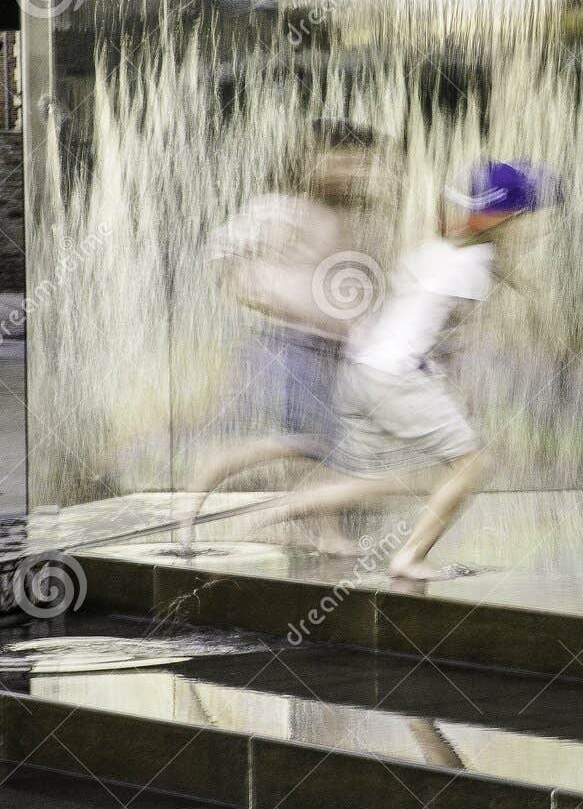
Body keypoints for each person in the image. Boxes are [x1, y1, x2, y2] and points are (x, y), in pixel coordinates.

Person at [251, 159, 562, 580]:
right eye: (532, 217)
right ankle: (409, 558)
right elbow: (450, 336)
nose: (538, 229)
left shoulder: (436, 251)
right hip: (395, 376)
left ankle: (300, 502)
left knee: (399, 479)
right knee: (472, 466)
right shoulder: (473, 266)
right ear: (503, 216)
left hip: (362, 370)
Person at [179, 120, 380, 553]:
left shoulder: (335, 212)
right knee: (313, 442)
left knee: (318, 442)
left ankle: (313, 528)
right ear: (312, 160)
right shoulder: (281, 206)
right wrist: (250, 290)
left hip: (326, 345)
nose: (355, 171)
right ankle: (220, 468)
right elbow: (222, 250)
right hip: (291, 344)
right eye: (345, 160)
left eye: (362, 163)